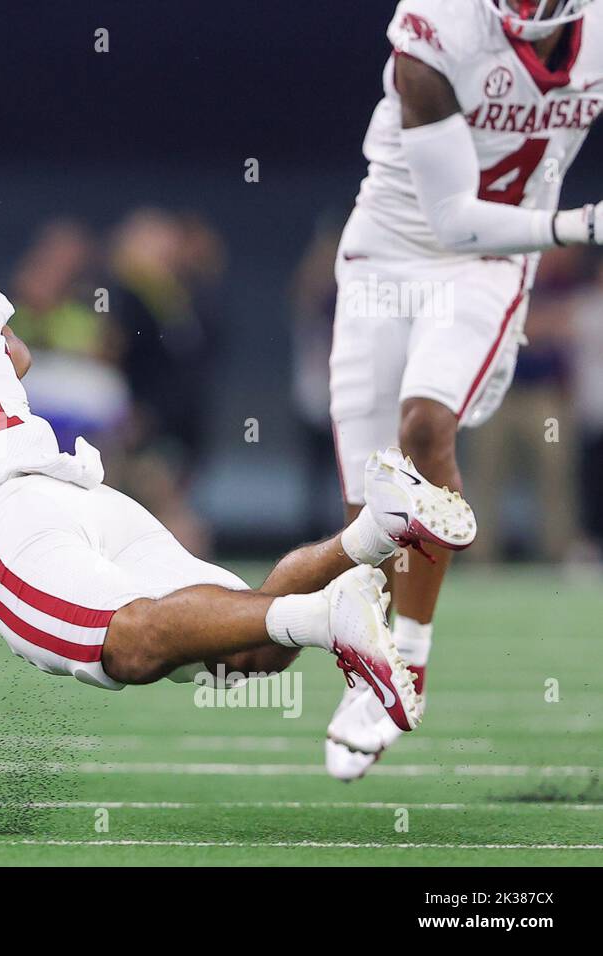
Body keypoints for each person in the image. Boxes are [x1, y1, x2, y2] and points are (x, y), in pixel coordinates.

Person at [0, 202, 474, 736]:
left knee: (128, 645)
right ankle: (371, 532)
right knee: (249, 651)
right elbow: (18, 356)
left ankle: (330, 617)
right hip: (85, 491)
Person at [326, 0, 603, 780]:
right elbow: (451, 219)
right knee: (370, 503)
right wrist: (583, 225)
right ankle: (372, 669)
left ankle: (408, 658)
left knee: (424, 427)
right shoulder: (438, 27)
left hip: (489, 265)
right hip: (391, 249)